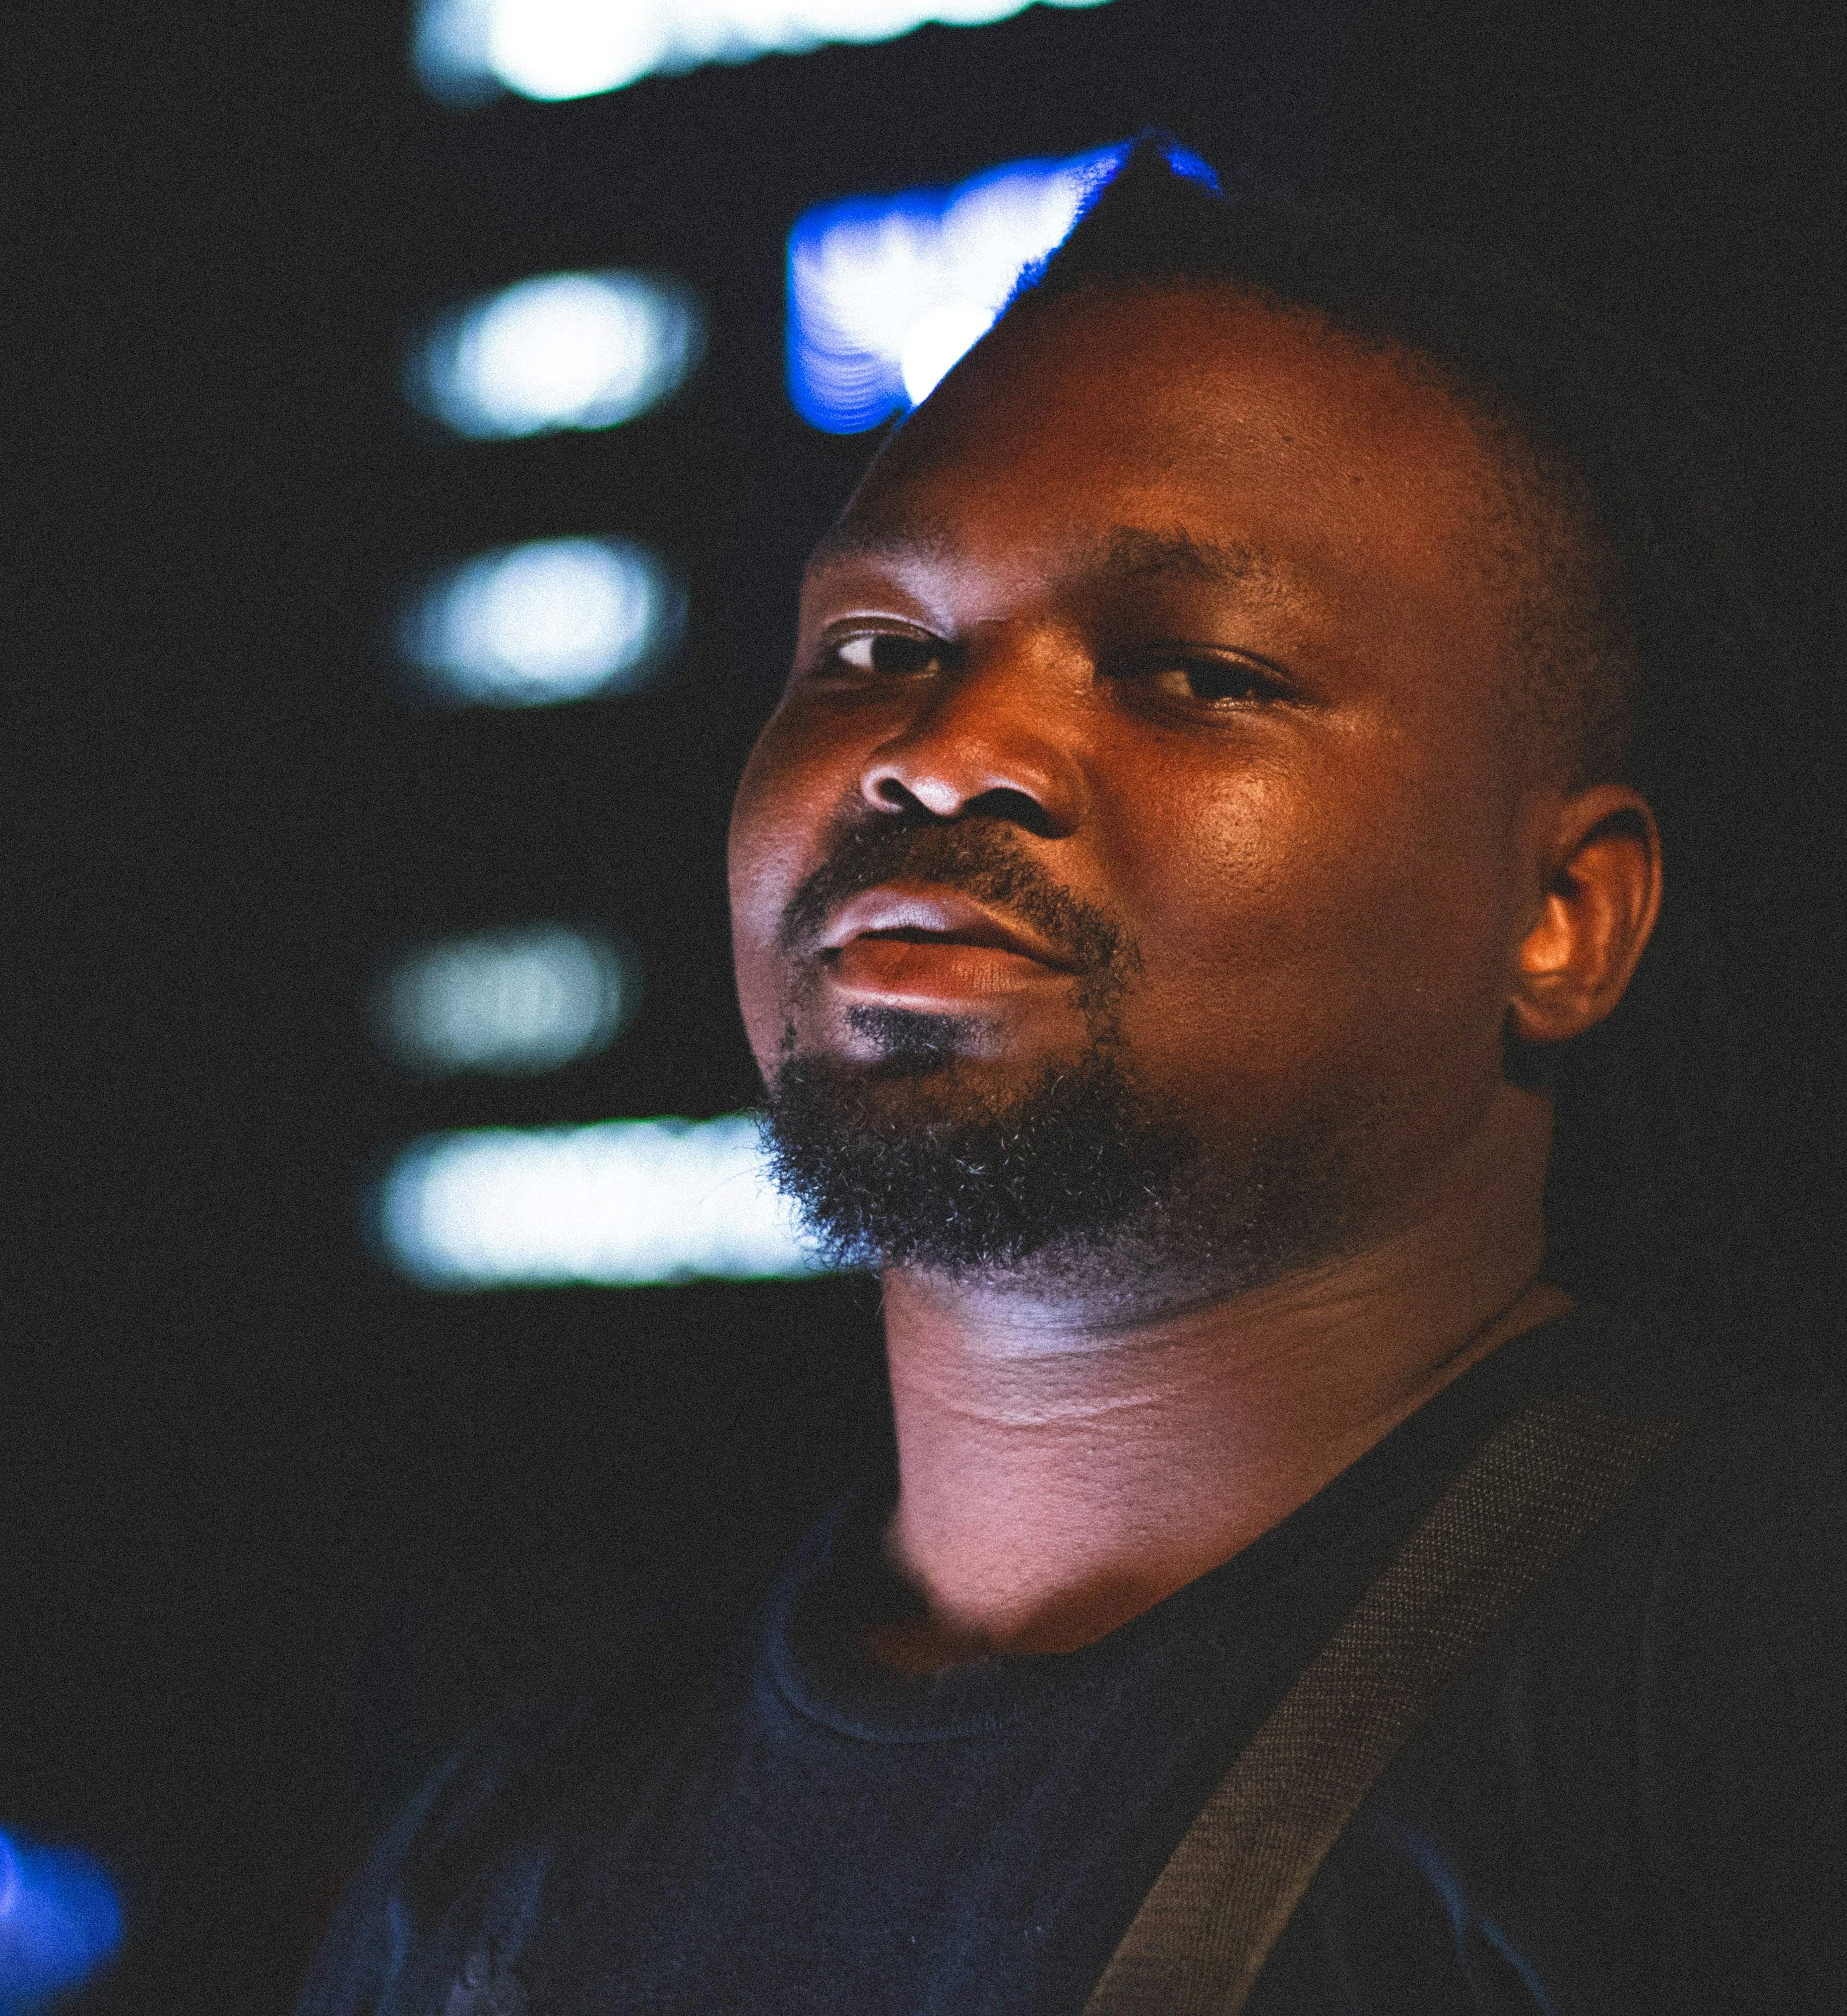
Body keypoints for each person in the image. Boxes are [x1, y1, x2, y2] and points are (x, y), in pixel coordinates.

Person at [297, 142, 1846, 2014]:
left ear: (1563, 915)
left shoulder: (1746, 1710)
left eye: (1191, 672)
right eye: (877, 649)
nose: (947, 749)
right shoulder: (496, 1871)